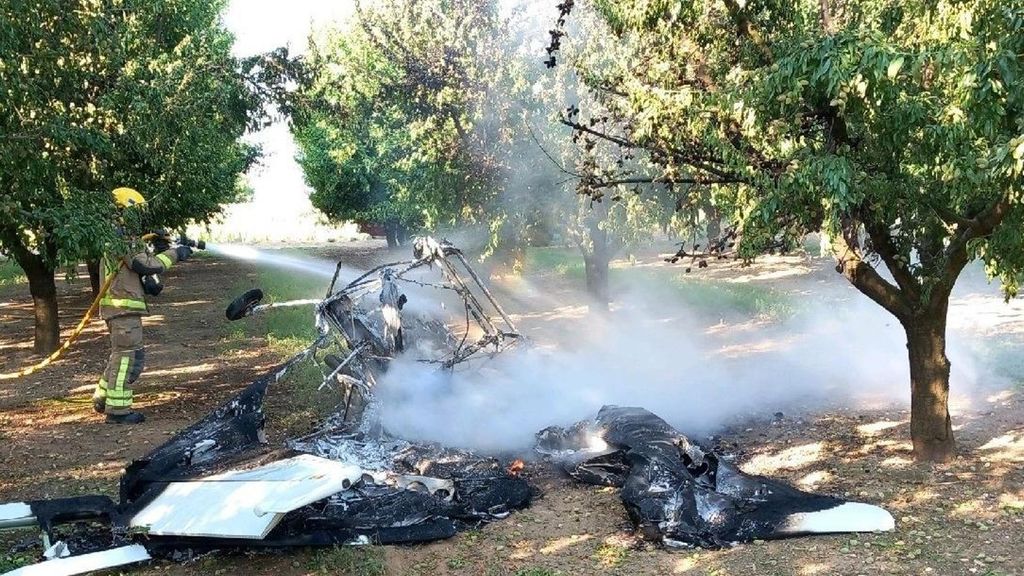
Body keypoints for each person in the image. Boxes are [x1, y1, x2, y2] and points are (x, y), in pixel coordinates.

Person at [90, 187, 192, 424]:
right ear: (125, 211)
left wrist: (160, 245)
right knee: (128, 359)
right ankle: (118, 411)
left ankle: (102, 397)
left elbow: (138, 268)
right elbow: (145, 265)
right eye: (136, 212)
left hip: (120, 309)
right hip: (123, 310)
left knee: (121, 356)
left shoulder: (116, 237)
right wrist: (176, 254)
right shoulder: (122, 239)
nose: (139, 219)